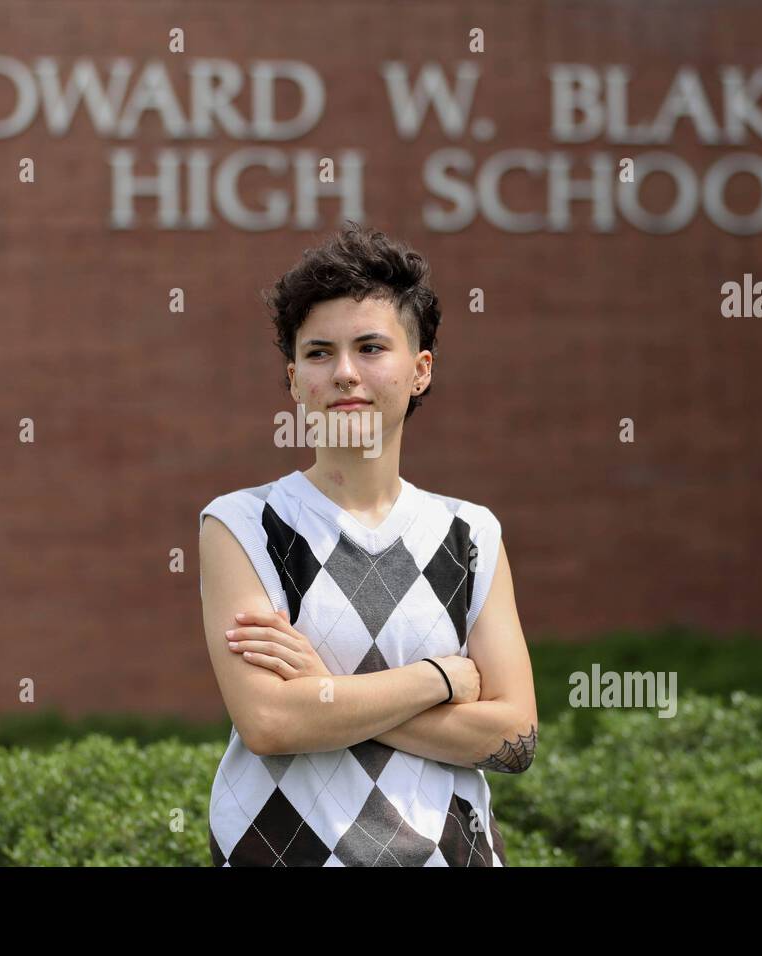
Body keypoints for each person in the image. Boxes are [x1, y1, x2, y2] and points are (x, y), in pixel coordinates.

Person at [197, 220, 537, 866]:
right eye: (319, 353)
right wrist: (441, 678)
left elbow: (515, 737)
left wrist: (324, 692)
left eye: (371, 348)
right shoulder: (243, 524)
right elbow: (270, 723)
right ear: (294, 380)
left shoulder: (471, 534)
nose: (345, 372)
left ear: (420, 370)